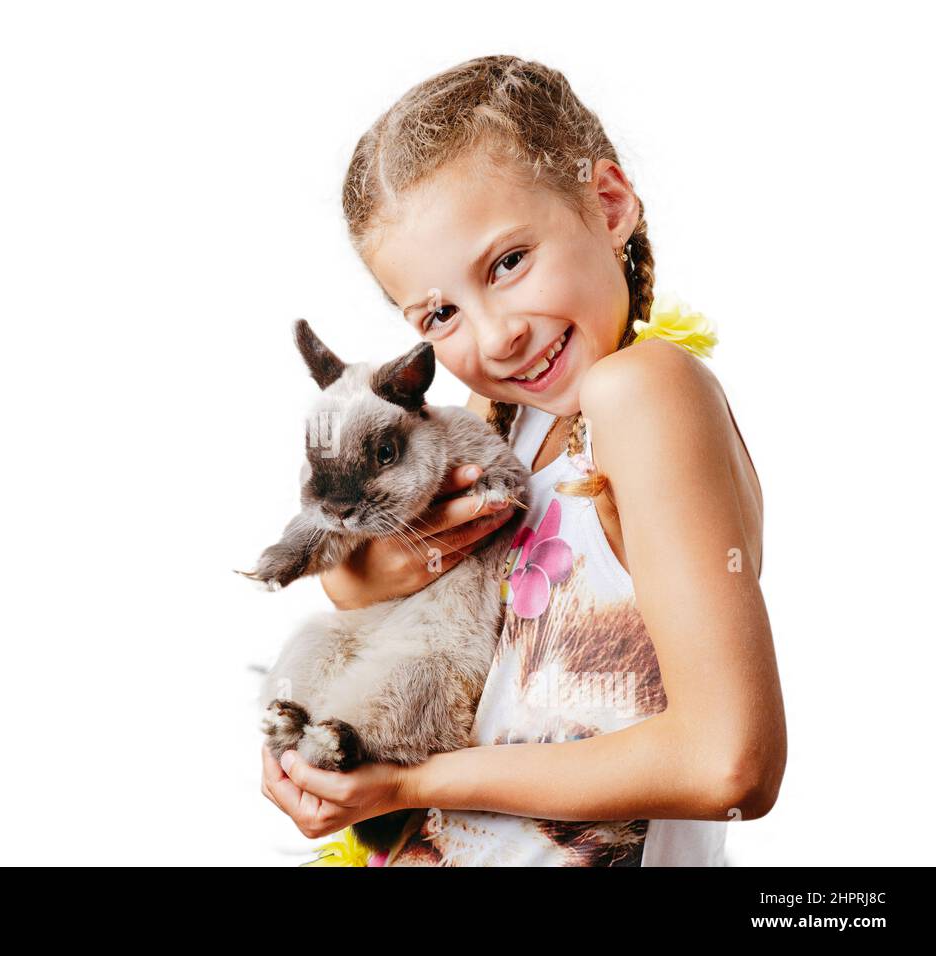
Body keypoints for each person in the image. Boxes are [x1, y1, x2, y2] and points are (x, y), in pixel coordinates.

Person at [260, 55, 786, 866]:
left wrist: (410, 786)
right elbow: (372, 583)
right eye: (440, 313)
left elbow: (729, 762)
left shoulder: (640, 391)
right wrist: (329, 750)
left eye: (508, 262)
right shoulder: (505, 420)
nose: (497, 335)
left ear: (608, 205)